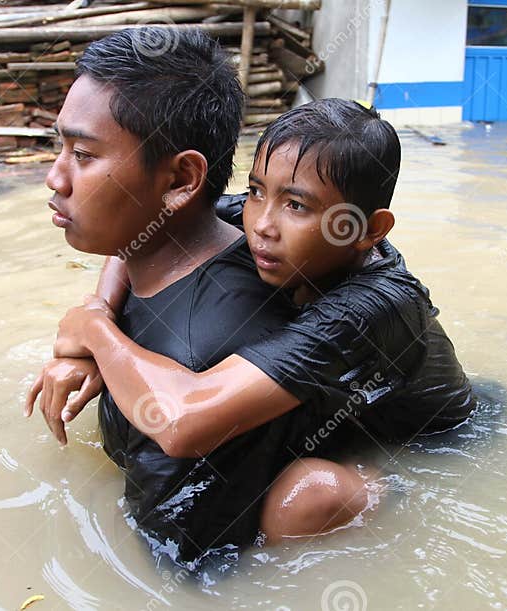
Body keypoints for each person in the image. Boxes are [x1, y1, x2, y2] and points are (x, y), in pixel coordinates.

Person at [51, 99, 476, 542]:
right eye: (256, 191)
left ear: (369, 230)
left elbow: (183, 424)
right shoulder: (264, 221)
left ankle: (388, 491)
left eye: (296, 206)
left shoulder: (372, 306)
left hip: (433, 442)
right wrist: (99, 312)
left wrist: (95, 332)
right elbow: (149, 230)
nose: (262, 224)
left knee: (306, 498)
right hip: (338, 403)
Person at [24, 27, 321, 570]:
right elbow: (128, 249)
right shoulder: (171, 243)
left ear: (182, 179)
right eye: (59, 146)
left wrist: (93, 331)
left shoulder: (205, 355)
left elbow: (183, 567)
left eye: (84, 155)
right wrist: (91, 337)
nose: (54, 177)